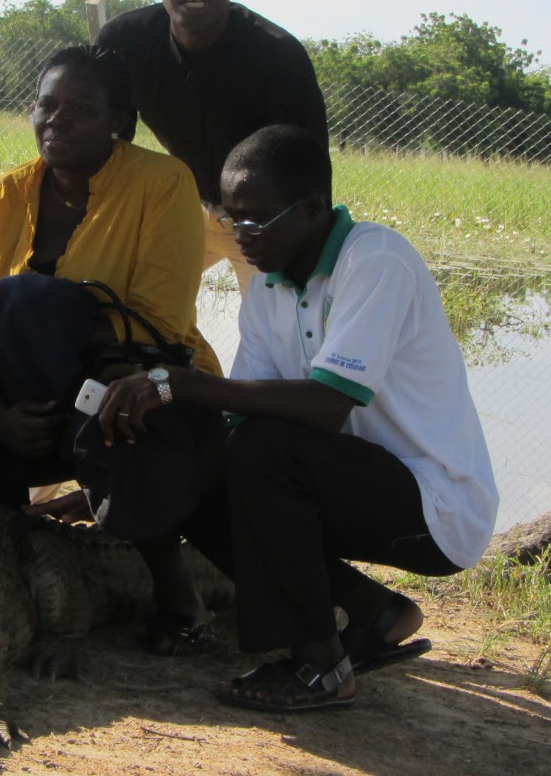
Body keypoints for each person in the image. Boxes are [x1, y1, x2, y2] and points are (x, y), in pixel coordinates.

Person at [96, 124, 497, 710]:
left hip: (435, 507)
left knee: (265, 451)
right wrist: (140, 470)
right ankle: (375, 612)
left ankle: (322, 667)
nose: (240, 236)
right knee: (197, 476)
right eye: (231, 218)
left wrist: (179, 382)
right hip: (347, 480)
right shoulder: (267, 289)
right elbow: (236, 417)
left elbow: (326, 406)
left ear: (312, 208)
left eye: (257, 220)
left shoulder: (375, 261)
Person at [0, 45, 227, 652]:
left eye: (80, 110)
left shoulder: (163, 183)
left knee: (29, 308)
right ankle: (3, 582)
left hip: (145, 386)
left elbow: (158, 327)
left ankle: (176, 589)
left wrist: (50, 335)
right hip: (27, 406)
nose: (57, 121)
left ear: (118, 121)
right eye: (46, 105)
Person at [97, 0, 328, 295]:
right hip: (183, 205)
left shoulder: (279, 58)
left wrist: (305, 267)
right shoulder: (125, 43)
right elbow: (107, 145)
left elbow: (312, 174)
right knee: (125, 296)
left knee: (278, 322)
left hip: (260, 222)